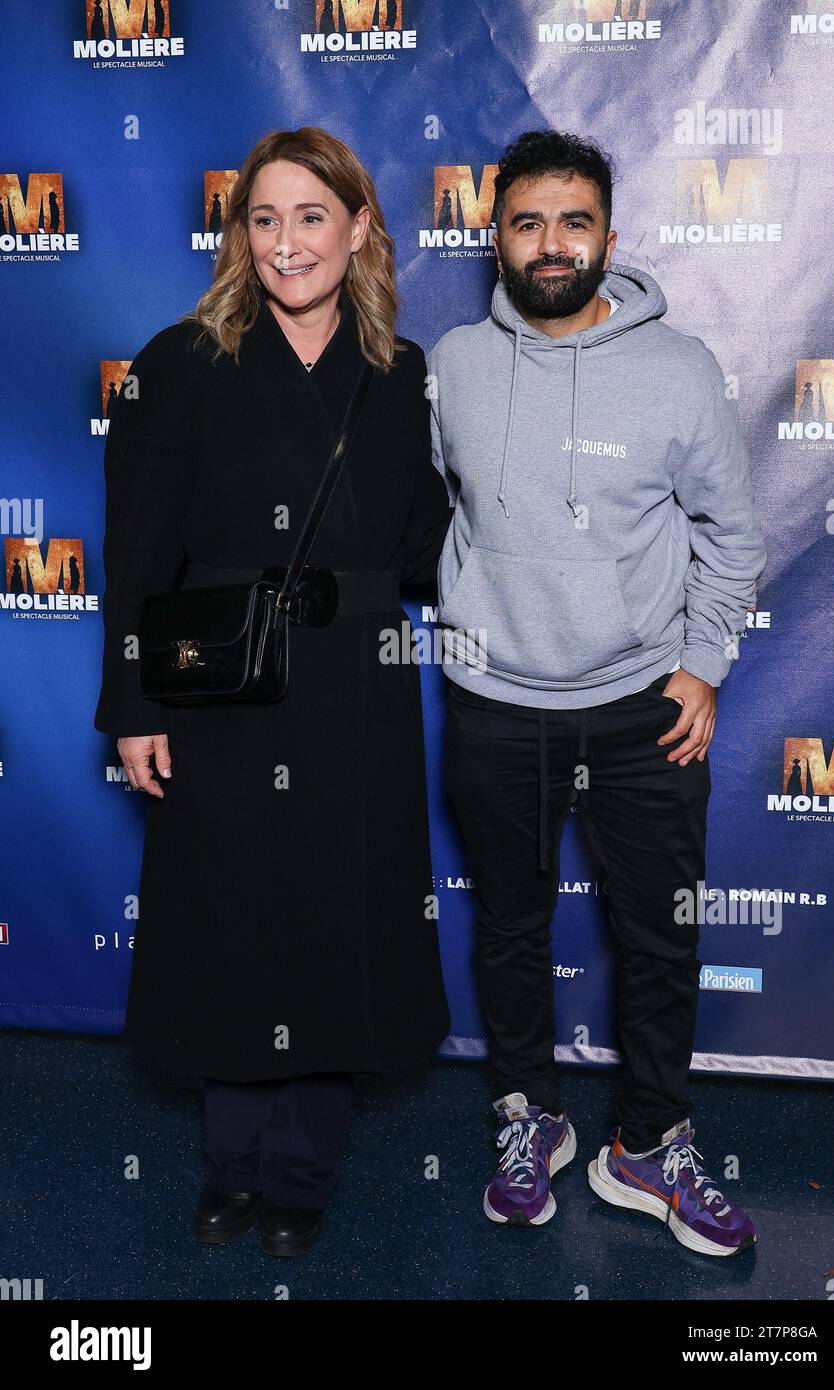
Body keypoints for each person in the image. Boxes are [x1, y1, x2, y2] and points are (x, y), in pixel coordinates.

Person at [94, 127, 453, 1257]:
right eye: (265, 219)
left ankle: (301, 1168)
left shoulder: (403, 375)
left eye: (311, 216)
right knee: (229, 923)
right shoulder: (179, 362)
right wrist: (135, 705)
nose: (288, 242)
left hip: (354, 694)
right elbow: (136, 555)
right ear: (239, 236)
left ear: (358, 229)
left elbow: (422, 546)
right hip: (219, 693)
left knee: (332, 923)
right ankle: (233, 1162)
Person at [428, 129, 767, 1255]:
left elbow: (734, 534)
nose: (551, 243)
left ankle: (649, 1142)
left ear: (609, 238)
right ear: (496, 238)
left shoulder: (678, 368)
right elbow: (432, 508)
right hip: (495, 702)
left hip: (638, 707)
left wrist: (703, 661)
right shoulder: (456, 367)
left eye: (575, 221)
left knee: (662, 935)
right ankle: (530, 1116)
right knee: (513, 930)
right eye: (527, 221)